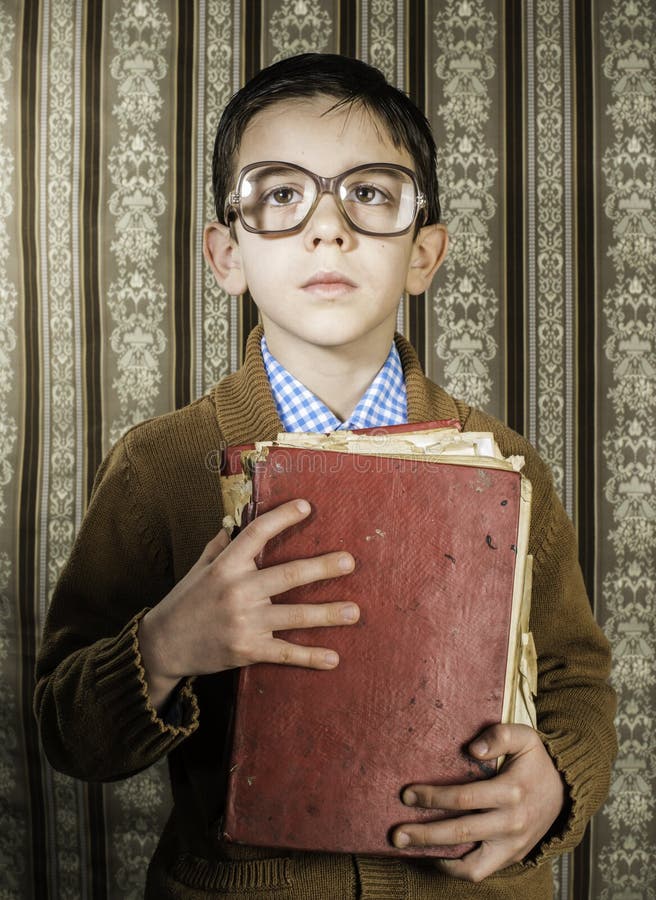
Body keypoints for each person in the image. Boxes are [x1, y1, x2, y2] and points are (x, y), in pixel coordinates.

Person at [35, 53, 616, 899]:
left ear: (424, 252)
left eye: (370, 193)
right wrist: (164, 647)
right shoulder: (157, 467)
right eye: (280, 194)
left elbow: (575, 680)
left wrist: (557, 782)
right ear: (226, 253)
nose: (327, 226)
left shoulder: (506, 461)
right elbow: (65, 730)